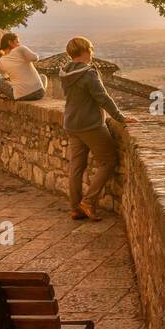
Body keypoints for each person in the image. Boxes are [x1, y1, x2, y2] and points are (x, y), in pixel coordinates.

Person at [60, 36, 135, 220]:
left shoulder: (64, 72)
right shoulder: (88, 73)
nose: (92, 53)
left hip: (71, 123)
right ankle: (88, 202)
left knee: (77, 167)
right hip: (90, 125)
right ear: (85, 51)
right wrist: (121, 118)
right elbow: (103, 98)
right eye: (91, 50)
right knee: (109, 161)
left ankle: (75, 207)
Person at [0, 32, 48, 101]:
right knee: (43, 76)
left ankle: (10, 94)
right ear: (10, 42)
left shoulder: (0, 62)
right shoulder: (21, 49)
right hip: (39, 93)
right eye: (17, 42)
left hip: (21, 96)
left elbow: (5, 77)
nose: (19, 44)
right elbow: (36, 58)